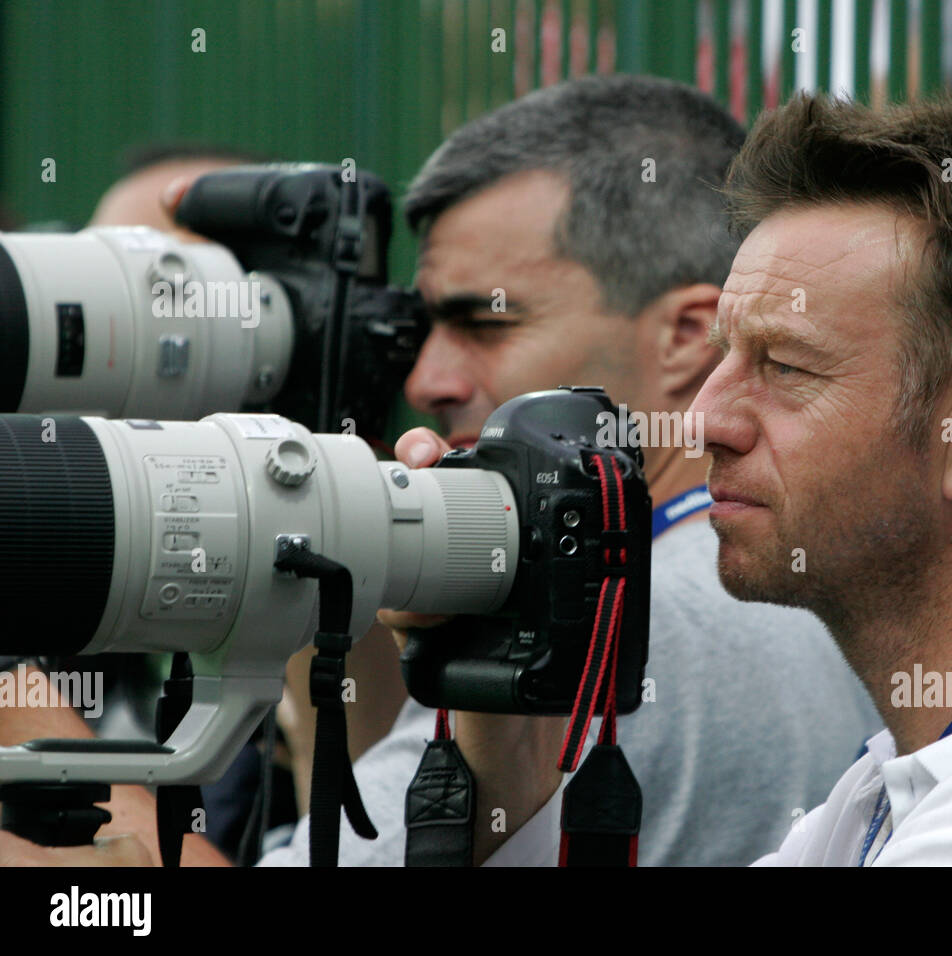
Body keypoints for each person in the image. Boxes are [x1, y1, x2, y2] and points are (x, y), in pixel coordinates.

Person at [0, 76, 880, 867]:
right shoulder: (766, 582)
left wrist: (15, 702)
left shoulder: (618, 624)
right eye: (422, 329)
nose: (426, 379)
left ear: (689, 335)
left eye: (485, 324)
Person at [400, 94, 952, 867]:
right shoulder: (904, 779)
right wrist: (500, 700)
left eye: (784, 367)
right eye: (721, 360)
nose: (704, 420)